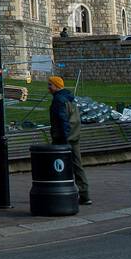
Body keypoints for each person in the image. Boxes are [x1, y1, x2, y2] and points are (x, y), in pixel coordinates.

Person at [47, 76, 91, 205]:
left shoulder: (59, 100)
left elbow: (62, 120)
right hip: (74, 137)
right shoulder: (70, 98)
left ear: (56, 86)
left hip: (64, 140)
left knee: (58, 167)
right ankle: (84, 194)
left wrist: (62, 139)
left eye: (50, 85)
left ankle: (59, 192)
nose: (48, 88)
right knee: (78, 166)